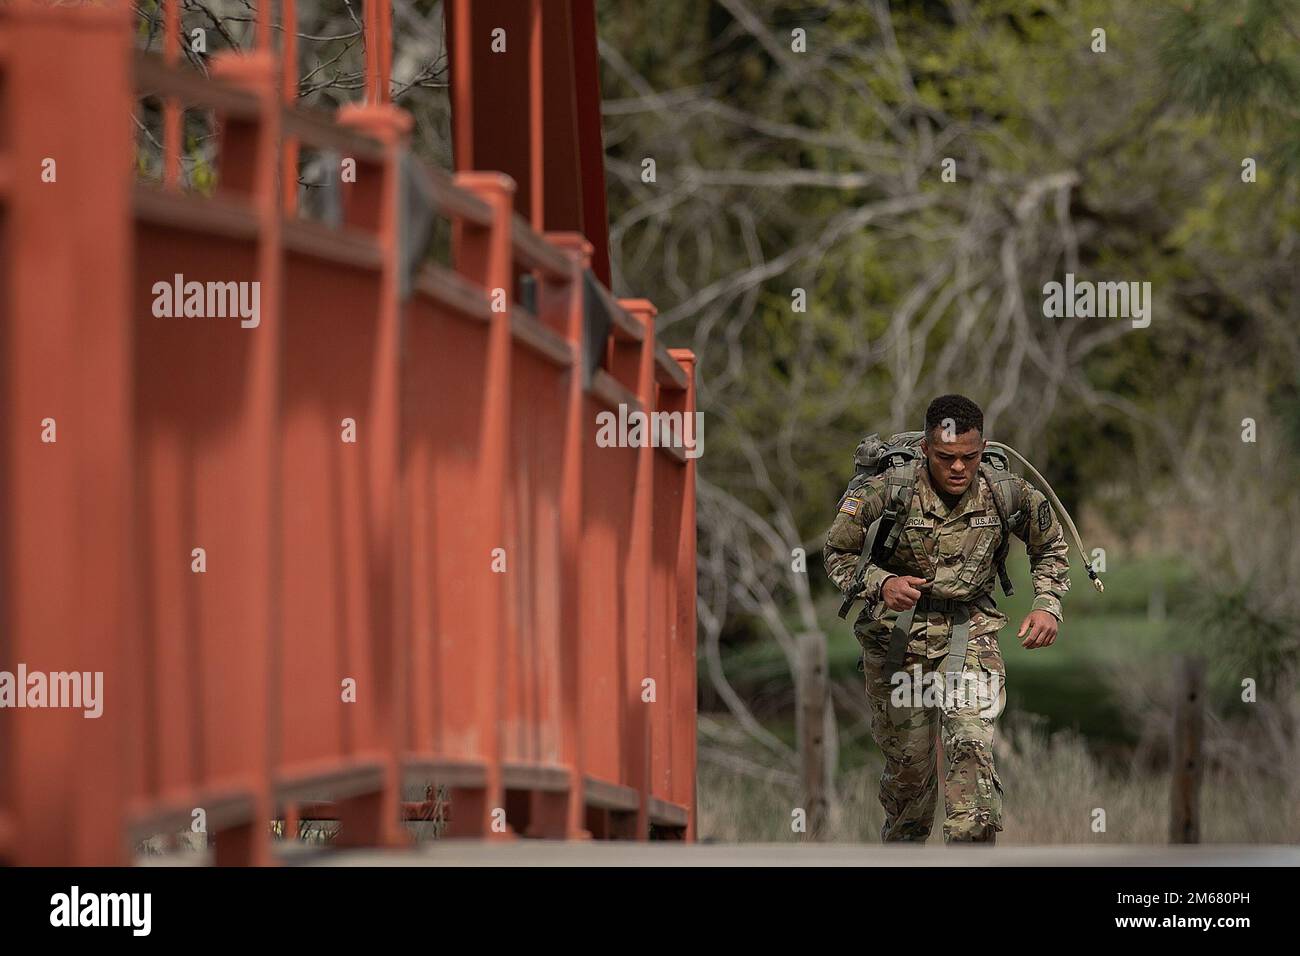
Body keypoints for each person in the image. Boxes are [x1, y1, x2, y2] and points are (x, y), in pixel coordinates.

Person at [822, 394, 1070, 843]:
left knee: (973, 747)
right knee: (910, 780)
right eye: (946, 458)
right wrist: (881, 583)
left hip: (970, 630)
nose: (958, 468)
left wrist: (1047, 603)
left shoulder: (1003, 490)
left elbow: (1050, 545)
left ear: (983, 448)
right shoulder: (887, 490)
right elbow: (837, 554)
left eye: (968, 458)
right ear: (925, 451)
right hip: (897, 642)